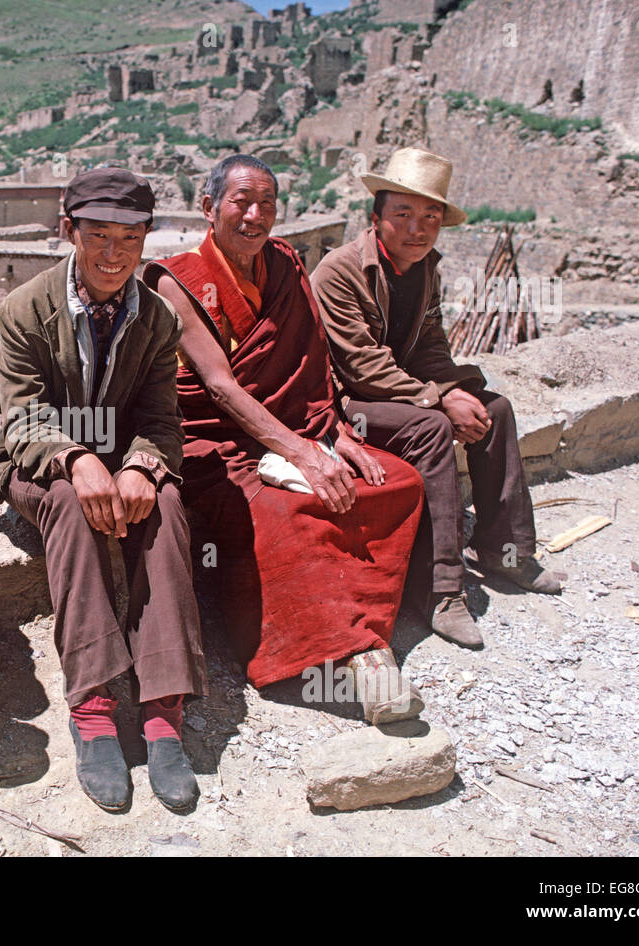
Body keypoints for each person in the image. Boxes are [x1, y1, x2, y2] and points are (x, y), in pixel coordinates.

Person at [147, 154, 427, 725]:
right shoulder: (177, 279)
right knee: (287, 514)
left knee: (396, 481)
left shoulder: (284, 264)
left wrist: (334, 432)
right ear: (209, 208)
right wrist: (301, 453)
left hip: (292, 430)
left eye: (267, 204)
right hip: (215, 444)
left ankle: (366, 613)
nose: (255, 215)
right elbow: (222, 388)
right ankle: (350, 654)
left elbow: (309, 362)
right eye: (241, 202)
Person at [0, 168, 207, 812]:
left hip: (120, 462)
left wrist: (139, 465)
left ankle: (162, 708)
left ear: (145, 241)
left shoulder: (156, 319)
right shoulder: (25, 310)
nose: (113, 253)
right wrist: (74, 456)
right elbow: (22, 415)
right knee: (72, 506)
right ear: (68, 231)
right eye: (97, 235)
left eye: (129, 238)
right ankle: (95, 703)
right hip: (38, 462)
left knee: (165, 504)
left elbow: (161, 418)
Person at [310, 147, 562, 649]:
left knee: (496, 409)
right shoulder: (339, 272)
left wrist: (454, 390)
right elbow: (361, 366)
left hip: (400, 392)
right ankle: (440, 589)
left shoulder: (424, 271)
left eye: (431, 217)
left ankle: (503, 550)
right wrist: (440, 402)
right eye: (402, 214)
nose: (417, 229)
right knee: (432, 428)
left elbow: (429, 349)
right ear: (375, 217)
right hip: (346, 405)